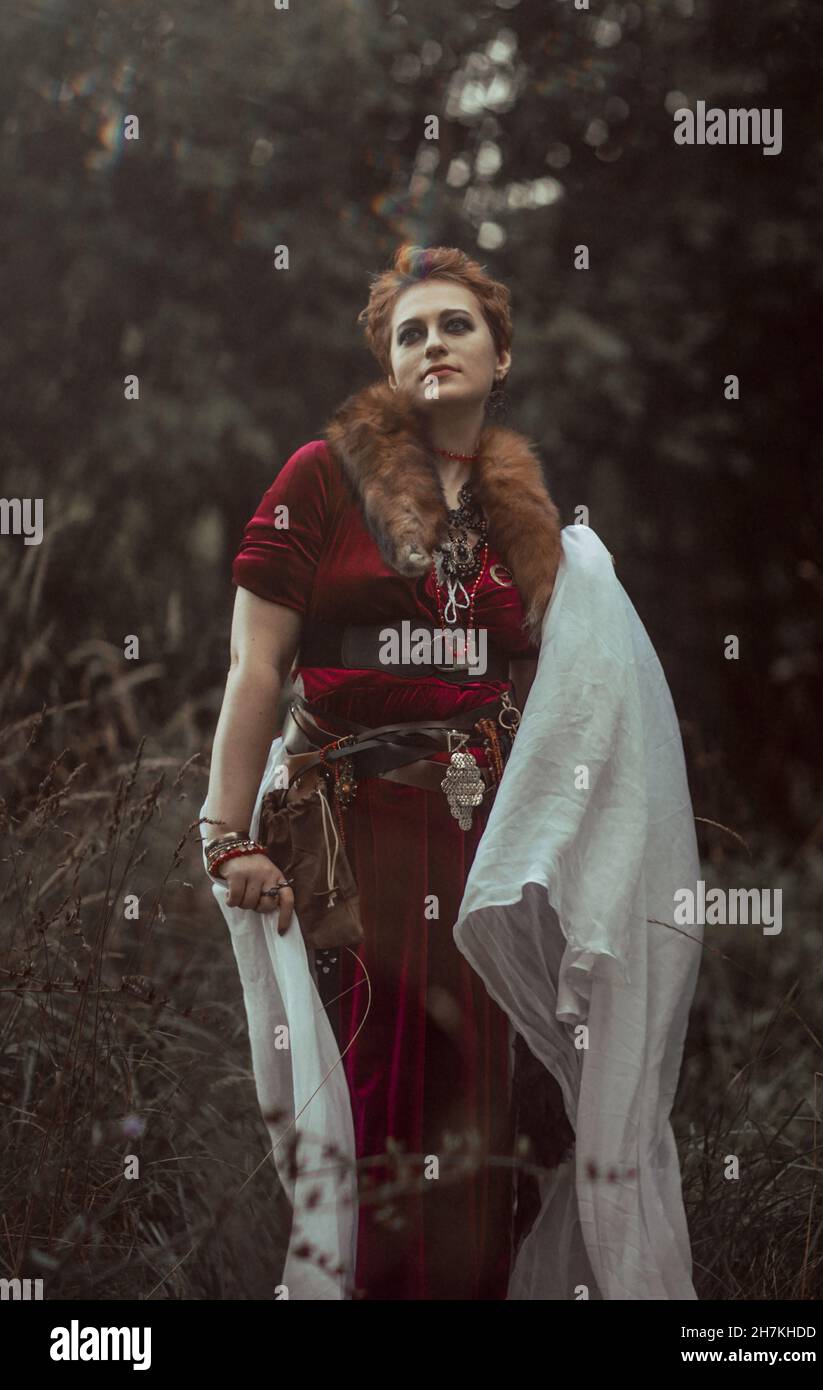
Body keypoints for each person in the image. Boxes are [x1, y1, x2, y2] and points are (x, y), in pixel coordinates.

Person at [201, 244, 565, 1300]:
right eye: (409, 331)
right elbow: (255, 665)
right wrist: (228, 834)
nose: (431, 344)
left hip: (486, 844)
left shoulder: (525, 522)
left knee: (484, 1114)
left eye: (454, 325)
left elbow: (553, 692)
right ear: (388, 364)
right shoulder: (323, 478)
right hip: (355, 834)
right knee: (376, 1107)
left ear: (500, 357)